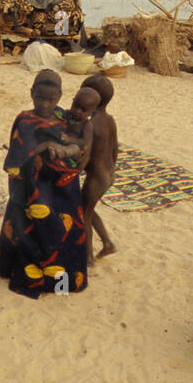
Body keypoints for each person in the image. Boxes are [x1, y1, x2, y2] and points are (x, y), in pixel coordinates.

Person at [0, 70, 89, 298]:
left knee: (66, 226)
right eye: (39, 98)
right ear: (31, 94)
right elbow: (18, 154)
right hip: (32, 184)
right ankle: (32, 274)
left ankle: (59, 282)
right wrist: (45, 145)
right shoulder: (24, 120)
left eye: (51, 99)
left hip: (62, 183)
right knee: (35, 220)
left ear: (59, 97)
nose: (45, 104)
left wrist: (69, 149)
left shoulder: (62, 116)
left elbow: (80, 143)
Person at [79, 74, 119, 260]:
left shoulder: (91, 124)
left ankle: (88, 259)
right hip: (109, 173)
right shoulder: (109, 119)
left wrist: (77, 169)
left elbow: (86, 155)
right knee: (87, 208)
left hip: (96, 177)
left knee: (83, 216)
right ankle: (107, 243)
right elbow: (115, 148)